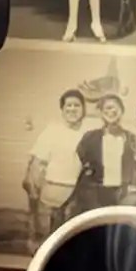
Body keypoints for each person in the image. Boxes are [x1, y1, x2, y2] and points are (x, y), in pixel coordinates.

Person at [24, 89, 90, 250]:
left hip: (77, 196)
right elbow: (36, 163)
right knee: (47, 240)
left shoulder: (89, 133)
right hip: (51, 192)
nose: (73, 109)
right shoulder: (51, 131)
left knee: (70, 242)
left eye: (77, 105)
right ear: (62, 110)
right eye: (68, 106)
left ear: (84, 109)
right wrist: (33, 191)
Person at [75, 93, 136, 209]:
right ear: (101, 112)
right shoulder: (90, 137)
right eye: (107, 108)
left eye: (115, 107)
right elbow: (80, 164)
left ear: (122, 111)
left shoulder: (131, 138)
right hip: (96, 195)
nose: (111, 111)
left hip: (122, 195)